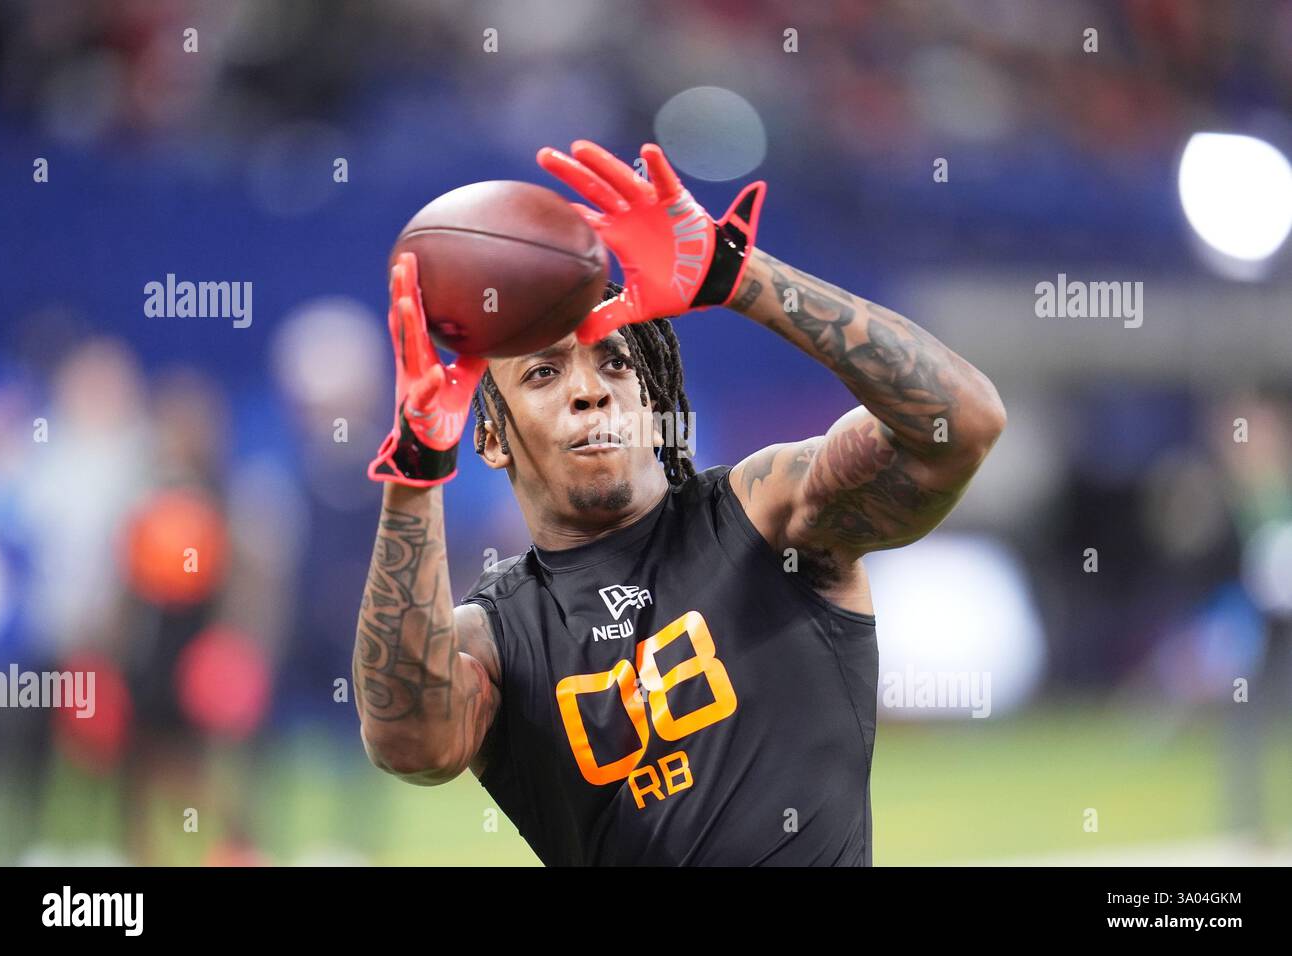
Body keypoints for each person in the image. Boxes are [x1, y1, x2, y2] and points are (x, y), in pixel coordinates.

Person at [352, 140, 1006, 865]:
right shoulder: (496, 639)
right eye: (542, 373)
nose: (590, 388)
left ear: (650, 394)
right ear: (492, 437)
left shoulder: (768, 518)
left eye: (615, 361)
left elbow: (960, 424)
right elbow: (408, 745)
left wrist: (739, 275)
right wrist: (414, 476)